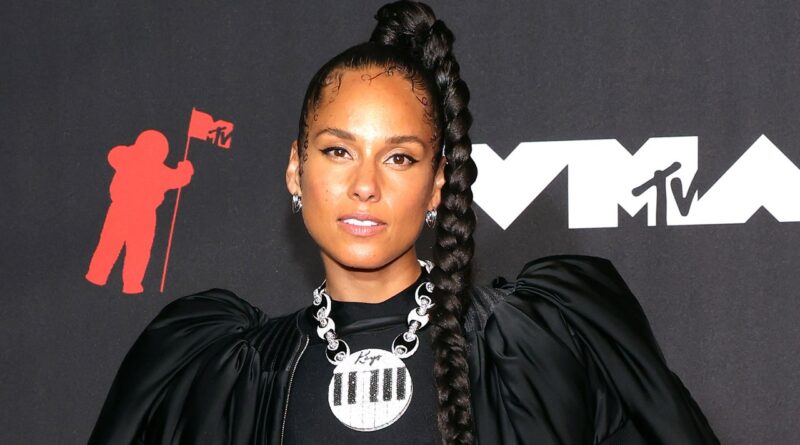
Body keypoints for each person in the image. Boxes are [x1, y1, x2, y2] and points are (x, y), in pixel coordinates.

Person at [87, 1, 720, 444]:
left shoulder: (542, 342)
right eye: (338, 151)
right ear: (296, 170)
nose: (365, 184)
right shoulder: (220, 374)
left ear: (437, 184)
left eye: (399, 157)